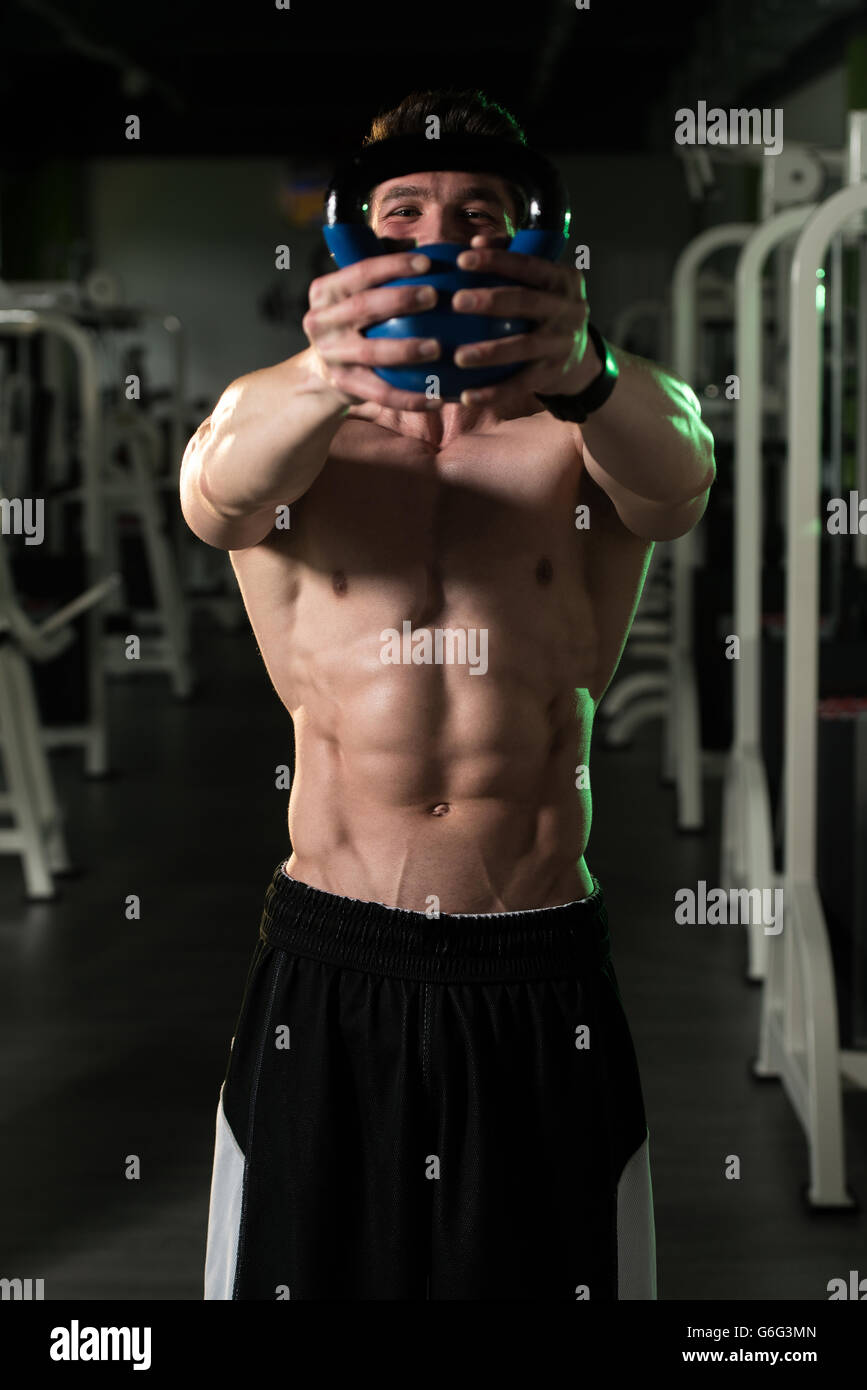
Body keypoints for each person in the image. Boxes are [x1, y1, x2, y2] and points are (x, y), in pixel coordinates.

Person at [184, 88, 715, 1301]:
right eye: (406, 206)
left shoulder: (591, 423)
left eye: (479, 210)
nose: (443, 233)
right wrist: (335, 370)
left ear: (527, 239)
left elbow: (681, 478)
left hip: (536, 961)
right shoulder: (285, 420)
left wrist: (579, 369)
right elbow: (212, 494)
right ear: (352, 236)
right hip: (334, 958)